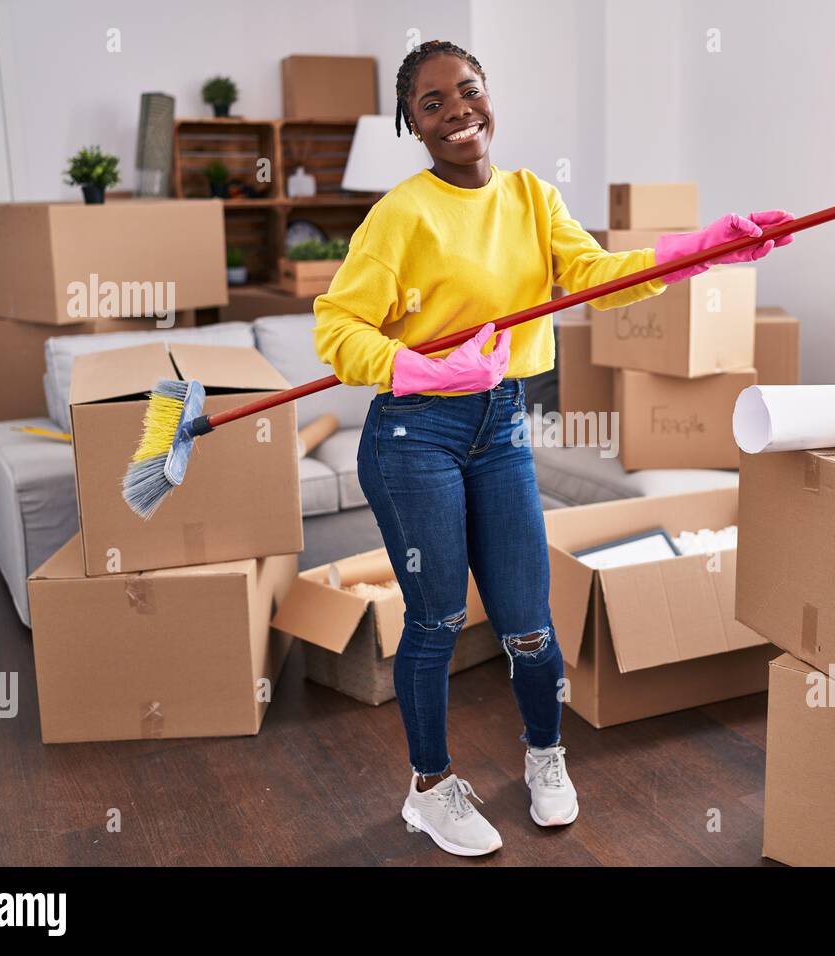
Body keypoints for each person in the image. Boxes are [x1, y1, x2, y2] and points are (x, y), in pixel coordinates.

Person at [313, 39, 793, 858]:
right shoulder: (400, 213)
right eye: (433, 104)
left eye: (467, 91)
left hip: (499, 427)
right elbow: (336, 327)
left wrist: (705, 246)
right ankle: (429, 788)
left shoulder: (533, 197)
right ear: (414, 125)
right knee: (434, 621)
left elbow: (605, 275)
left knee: (530, 623)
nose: (457, 110)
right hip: (412, 433)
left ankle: (545, 754)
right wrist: (424, 366)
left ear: (488, 96)